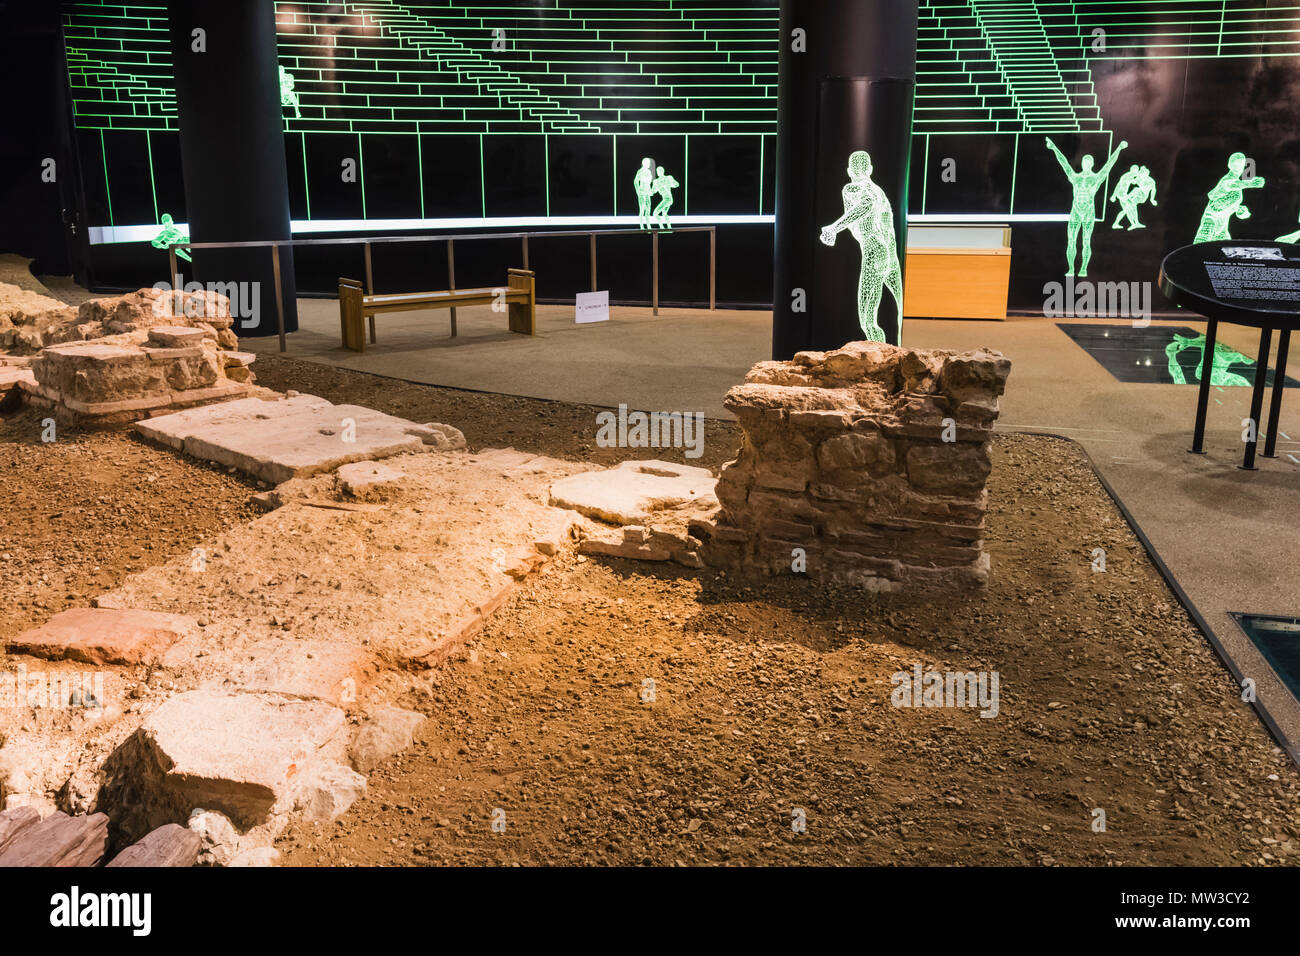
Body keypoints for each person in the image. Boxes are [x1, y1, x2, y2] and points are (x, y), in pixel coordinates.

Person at [818, 150, 903, 343]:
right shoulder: (879, 191)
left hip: (874, 251)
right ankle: (895, 359)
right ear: (870, 169)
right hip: (891, 256)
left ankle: (881, 362)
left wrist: (833, 228)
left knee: (867, 322)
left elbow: (866, 205)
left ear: (849, 171)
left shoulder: (852, 189)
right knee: (897, 319)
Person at [1045, 137, 1127, 276]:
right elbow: (1064, 163)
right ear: (1082, 163)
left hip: (1088, 211)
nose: (1086, 163)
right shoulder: (1075, 177)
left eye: (1089, 161)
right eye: (1085, 161)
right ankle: (1071, 269)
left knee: (1086, 241)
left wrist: (1118, 148)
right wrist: (1054, 147)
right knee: (1071, 241)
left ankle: (1083, 269)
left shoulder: (1096, 178)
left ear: (1092, 164)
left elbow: (1109, 165)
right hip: (1076, 211)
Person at [1195, 152, 1264, 243]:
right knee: (1201, 244)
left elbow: (1229, 202)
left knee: (1223, 250)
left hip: (1222, 225)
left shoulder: (1237, 188)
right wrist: (1251, 183)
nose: (1238, 167)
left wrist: (1239, 210)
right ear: (1230, 165)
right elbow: (1230, 185)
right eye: (1236, 164)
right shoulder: (1227, 180)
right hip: (1211, 220)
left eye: (1241, 164)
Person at [1110, 163, 1157, 230]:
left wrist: (1152, 199)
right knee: (1127, 208)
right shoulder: (1127, 177)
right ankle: (1132, 224)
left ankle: (1133, 223)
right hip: (1121, 195)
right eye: (1136, 172)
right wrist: (1113, 195)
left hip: (1126, 195)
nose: (1137, 173)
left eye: (1137, 172)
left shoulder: (1134, 176)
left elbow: (1152, 189)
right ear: (1132, 171)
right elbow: (1118, 185)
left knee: (1129, 208)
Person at [651, 165, 679, 231]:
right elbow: (652, 192)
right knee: (664, 213)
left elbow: (677, 184)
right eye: (657, 171)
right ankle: (669, 227)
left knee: (655, 213)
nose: (657, 172)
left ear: (662, 171)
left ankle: (662, 227)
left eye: (658, 171)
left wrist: (669, 184)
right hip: (667, 199)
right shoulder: (656, 182)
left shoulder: (668, 178)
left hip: (667, 199)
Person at [634, 157, 655, 230]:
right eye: (648, 163)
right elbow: (636, 181)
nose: (649, 164)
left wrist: (650, 191)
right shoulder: (640, 171)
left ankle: (648, 225)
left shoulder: (649, 172)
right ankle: (641, 226)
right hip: (642, 192)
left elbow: (649, 183)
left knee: (648, 209)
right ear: (644, 163)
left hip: (647, 192)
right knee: (642, 209)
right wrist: (638, 192)